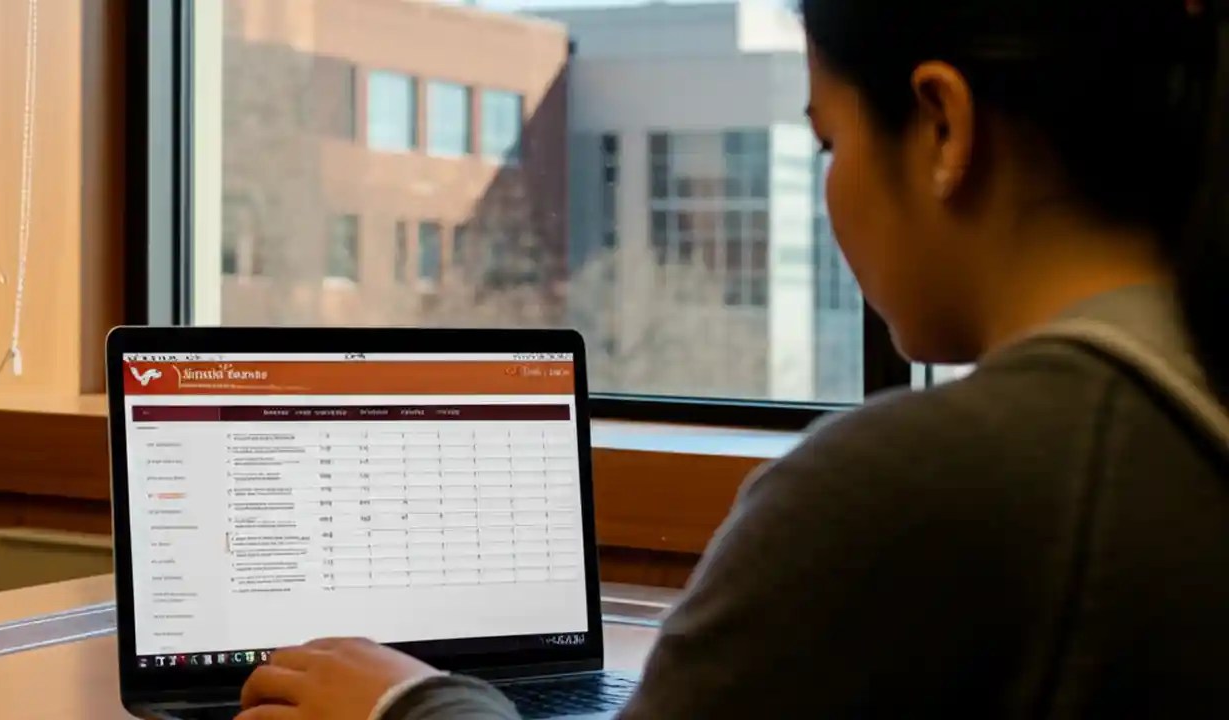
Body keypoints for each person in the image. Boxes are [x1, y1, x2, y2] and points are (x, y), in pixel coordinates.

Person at [236, 0, 1229, 717]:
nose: (828, 194)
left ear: (941, 126)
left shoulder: (916, 485)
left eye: (827, 144)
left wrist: (407, 707)